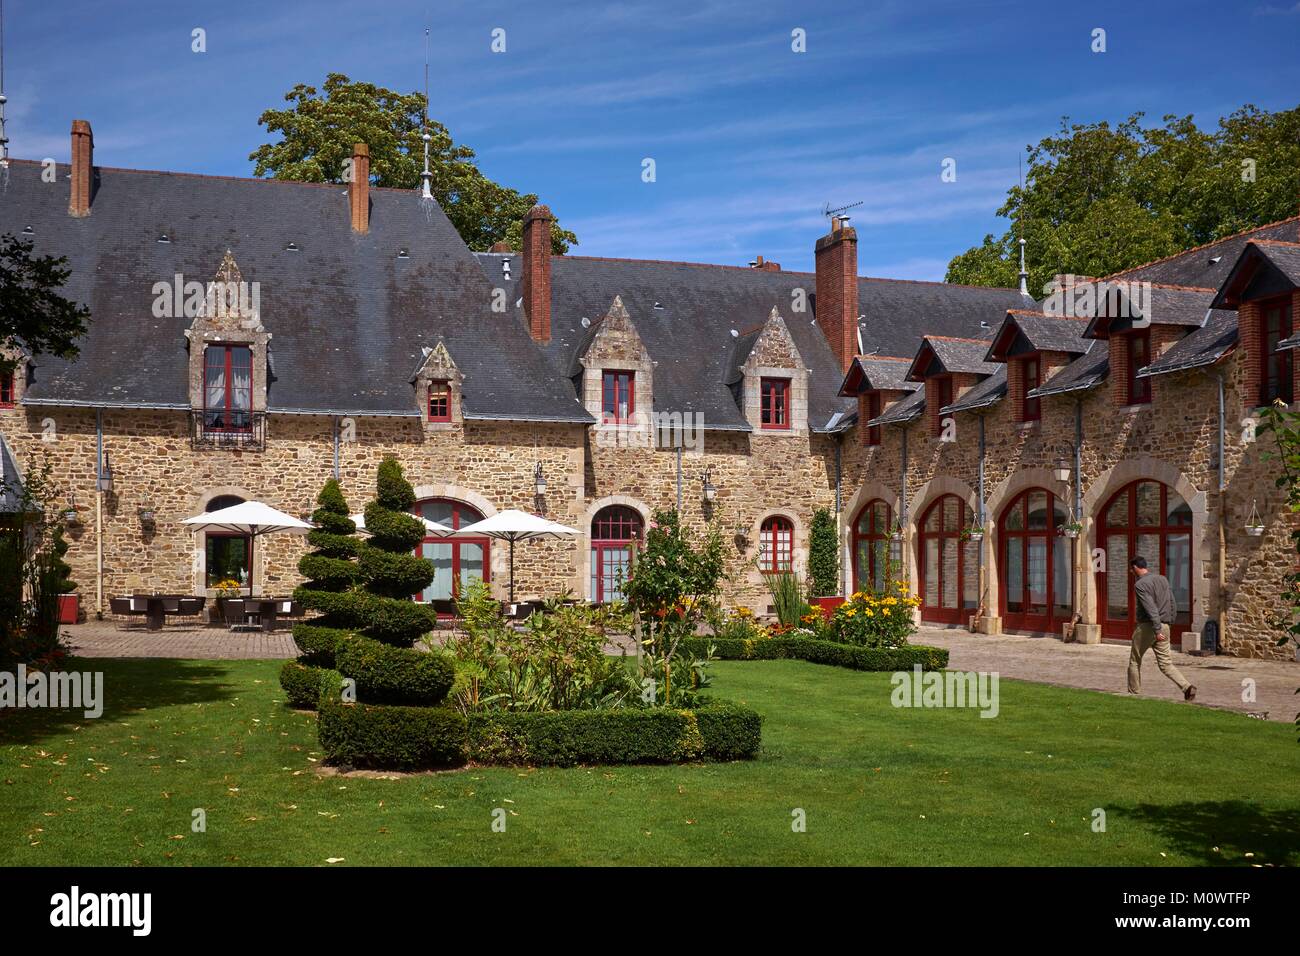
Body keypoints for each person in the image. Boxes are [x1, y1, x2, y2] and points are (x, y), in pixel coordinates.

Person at [1127, 556, 1196, 700]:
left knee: (1135, 660)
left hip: (1148, 626)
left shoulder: (1140, 585)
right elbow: (1172, 602)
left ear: (1135, 568)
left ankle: (1134, 694)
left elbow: (1150, 607)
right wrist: (1169, 623)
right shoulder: (1162, 579)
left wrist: (1157, 630)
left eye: (1131, 569)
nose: (1130, 572)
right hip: (1165, 625)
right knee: (1166, 664)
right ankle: (1187, 687)